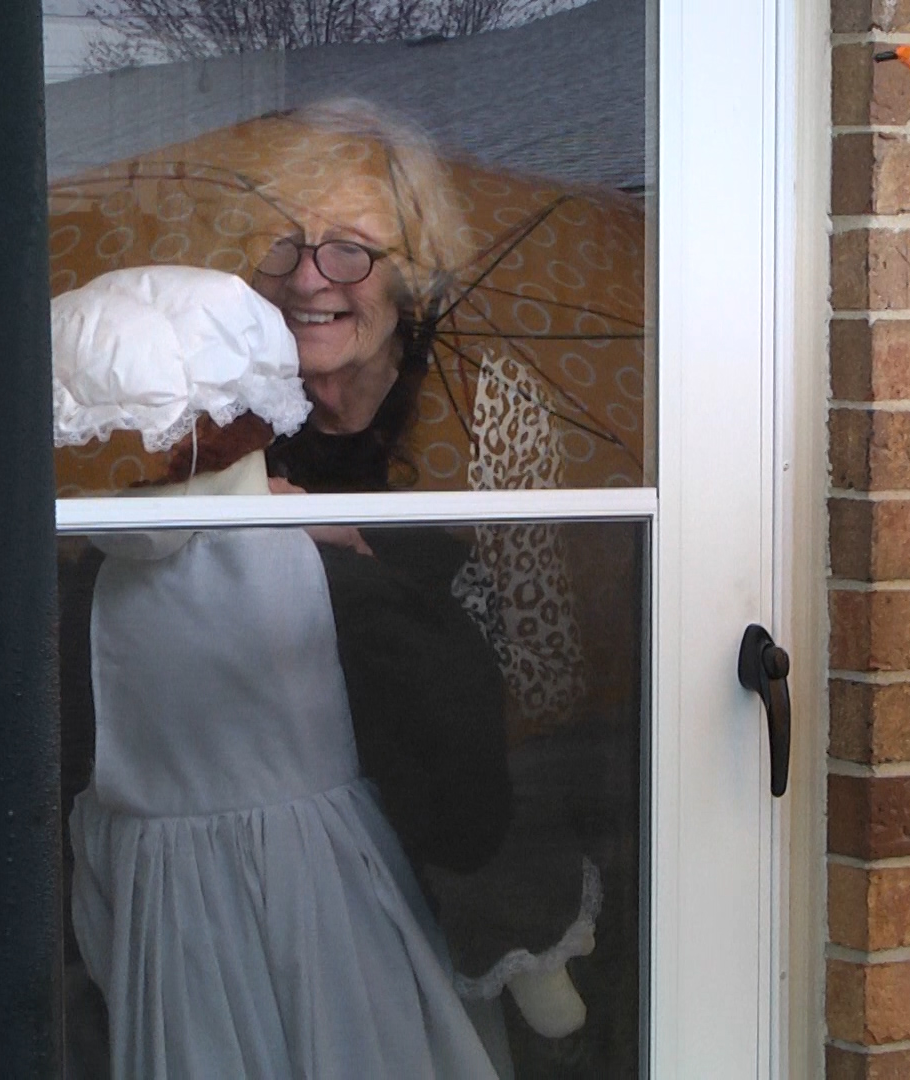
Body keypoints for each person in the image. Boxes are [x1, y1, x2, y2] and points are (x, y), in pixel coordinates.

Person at [52, 266, 504, 1078]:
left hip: (171, 954)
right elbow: (468, 809)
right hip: (329, 940)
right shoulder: (343, 581)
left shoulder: (75, 597)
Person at [243, 100, 606, 1045]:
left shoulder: (492, 420)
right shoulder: (226, 424)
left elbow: (550, 678)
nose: (310, 277)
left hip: (456, 835)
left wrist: (384, 593)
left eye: (351, 250)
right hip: (277, 838)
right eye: (288, 246)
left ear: (413, 281)